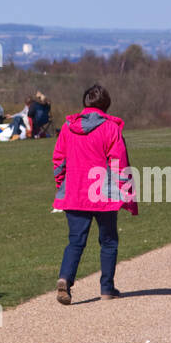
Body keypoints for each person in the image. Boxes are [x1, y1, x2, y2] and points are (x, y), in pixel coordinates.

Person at [52, 84, 137, 304]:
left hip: (74, 191)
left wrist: (62, 183)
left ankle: (65, 279)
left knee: (75, 242)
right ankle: (107, 288)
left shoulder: (67, 127)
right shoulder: (110, 128)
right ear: (105, 106)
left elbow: (59, 160)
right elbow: (119, 162)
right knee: (108, 241)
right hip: (104, 192)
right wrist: (125, 190)